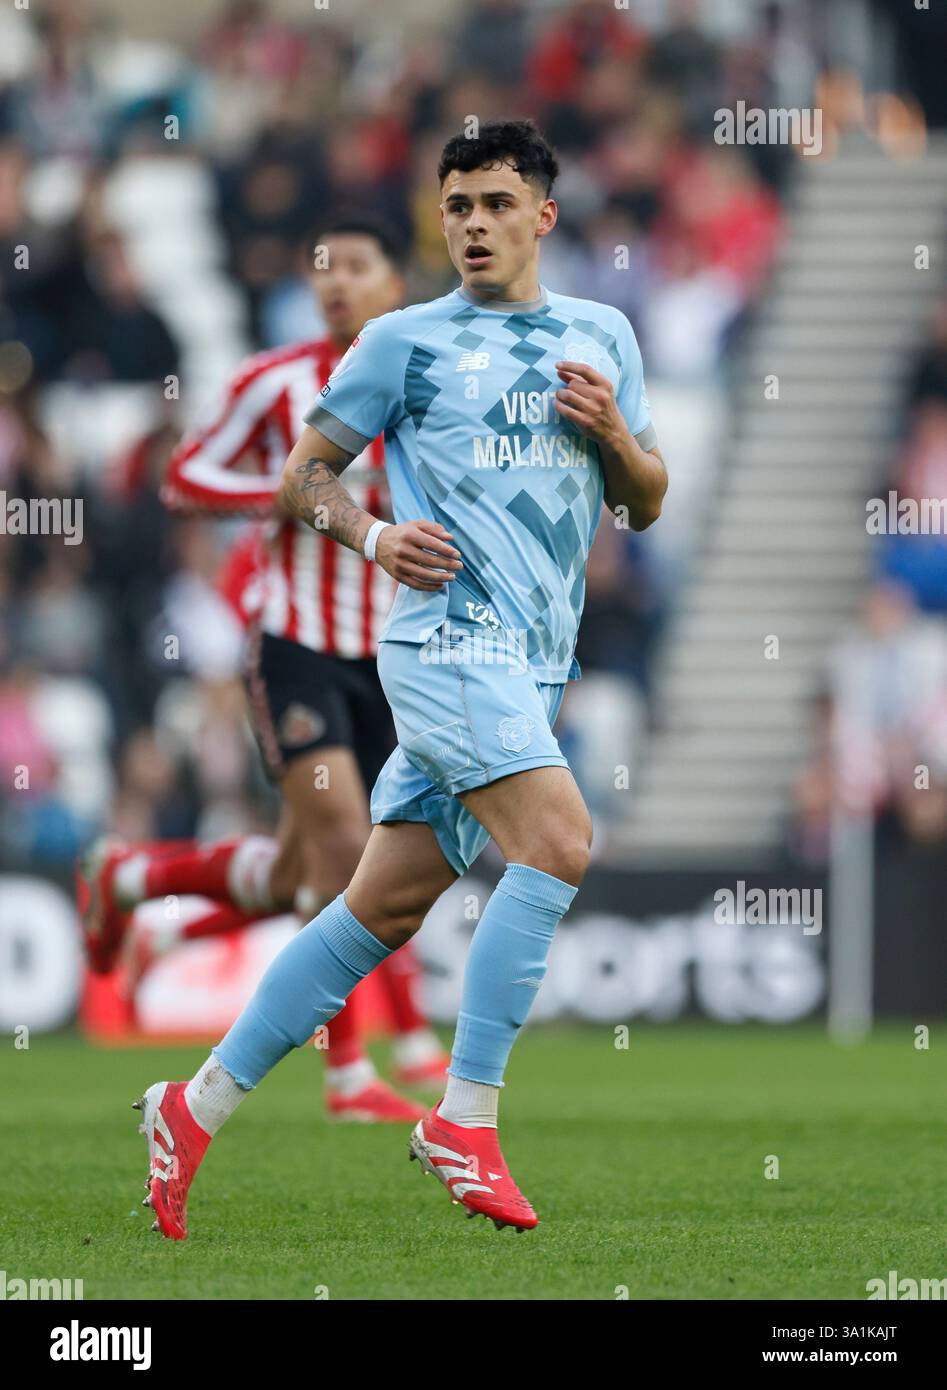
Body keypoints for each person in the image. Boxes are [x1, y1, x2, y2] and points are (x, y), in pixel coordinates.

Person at [134, 119, 666, 1238]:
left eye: (495, 205)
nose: (473, 224)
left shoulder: (602, 334)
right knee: (559, 841)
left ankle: (192, 1105)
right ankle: (463, 1118)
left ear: (542, 217)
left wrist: (615, 433)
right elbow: (300, 479)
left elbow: (645, 499)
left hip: (532, 662)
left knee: (376, 906)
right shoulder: (403, 342)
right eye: (457, 205)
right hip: (442, 644)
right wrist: (373, 539)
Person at [79, 216, 449, 1123]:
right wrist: (281, 493)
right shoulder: (274, 382)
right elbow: (181, 479)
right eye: (322, 268)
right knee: (348, 848)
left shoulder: (433, 381)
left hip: (390, 659)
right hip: (295, 648)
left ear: (393, 282)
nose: (336, 283)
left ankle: (131, 881)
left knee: (293, 881)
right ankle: (354, 1068)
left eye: (356, 267)